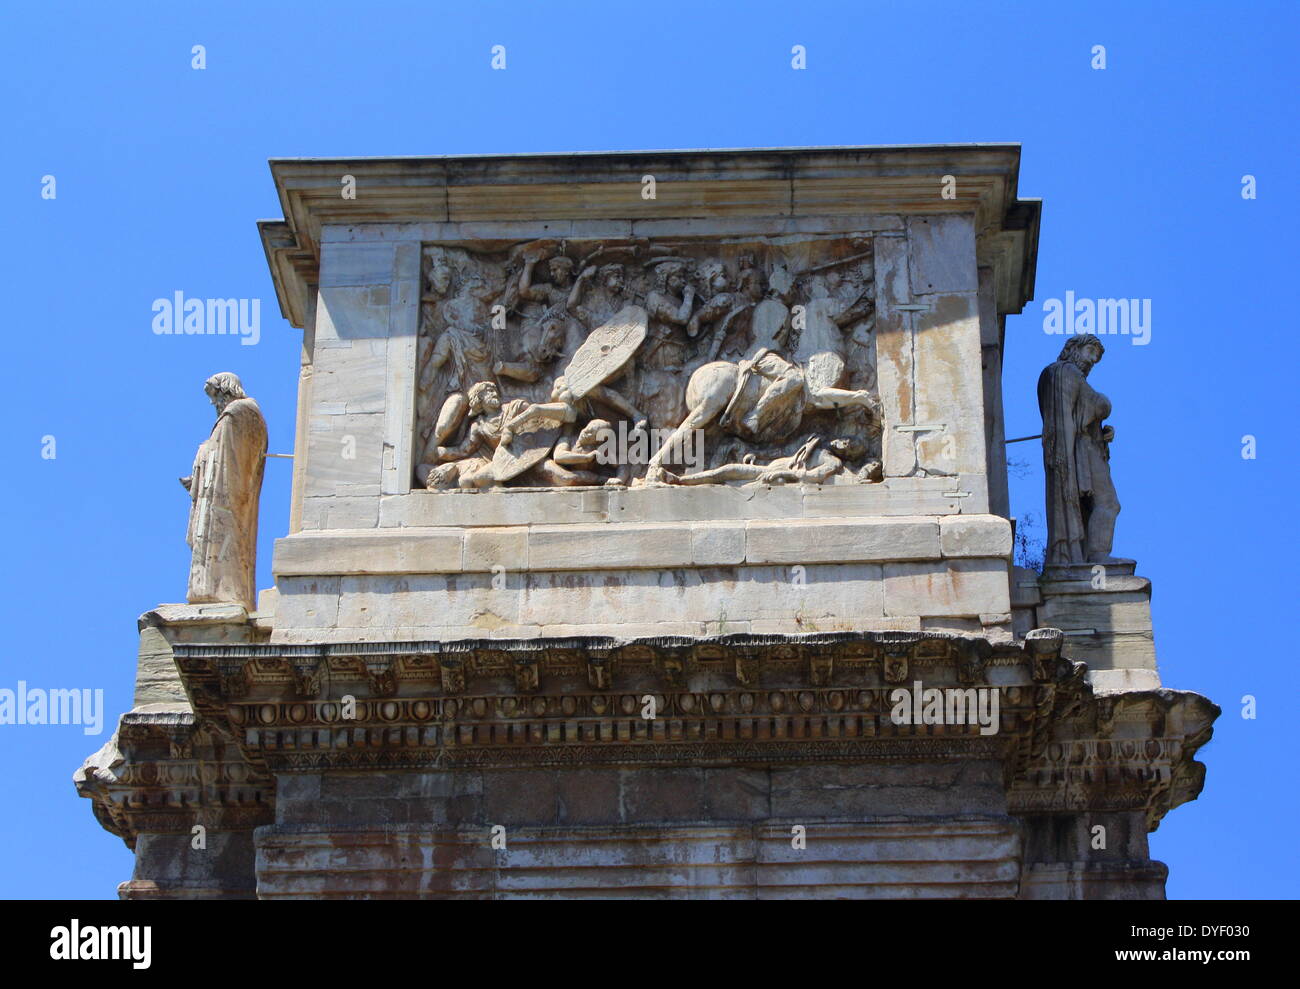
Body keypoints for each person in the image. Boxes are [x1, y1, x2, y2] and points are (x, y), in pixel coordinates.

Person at [181, 372, 267, 610]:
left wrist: (207, 465)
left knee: (224, 541)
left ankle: (220, 591)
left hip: (225, 497)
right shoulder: (239, 414)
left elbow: (230, 461)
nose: (213, 402)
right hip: (216, 491)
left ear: (226, 391)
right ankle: (209, 589)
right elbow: (219, 455)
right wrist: (199, 474)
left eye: (214, 395)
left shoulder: (237, 413)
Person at [1037, 334, 1121, 565]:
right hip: (1079, 451)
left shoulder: (1071, 376)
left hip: (1090, 447)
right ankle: (1097, 556)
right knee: (1108, 502)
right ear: (1074, 348)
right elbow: (1062, 422)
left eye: (1097, 358)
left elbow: (1084, 415)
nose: (1092, 361)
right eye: (1090, 352)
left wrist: (1102, 432)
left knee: (1107, 504)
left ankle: (1095, 555)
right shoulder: (1062, 372)